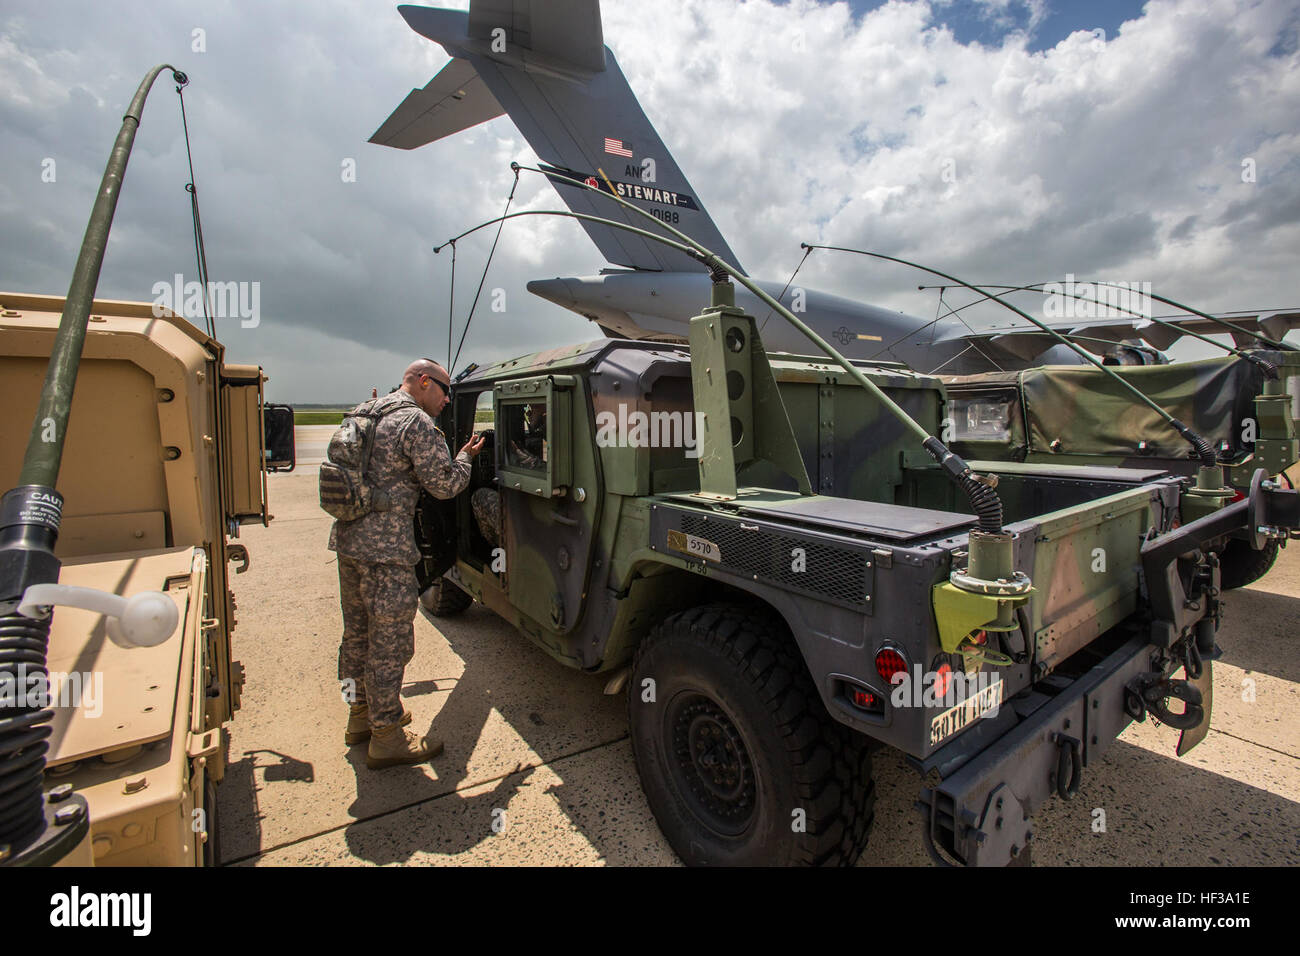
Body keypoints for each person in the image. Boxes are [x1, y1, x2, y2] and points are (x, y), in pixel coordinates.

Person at [329, 358, 486, 769]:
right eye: (444, 390)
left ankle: (361, 717)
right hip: (387, 552)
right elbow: (446, 485)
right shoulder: (415, 423)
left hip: (349, 543)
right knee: (389, 644)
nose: (447, 399)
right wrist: (466, 458)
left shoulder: (364, 412)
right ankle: (388, 737)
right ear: (422, 382)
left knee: (358, 634)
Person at [471, 402, 546, 549]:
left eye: (534, 407)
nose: (529, 413)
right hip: (541, 511)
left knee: (479, 496)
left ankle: (495, 548)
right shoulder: (554, 427)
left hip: (535, 520)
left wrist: (520, 455)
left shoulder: (556, 427)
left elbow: (549, 470)